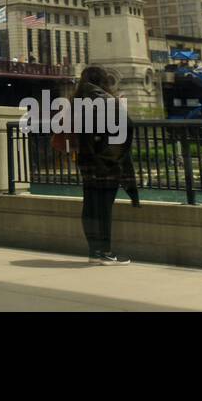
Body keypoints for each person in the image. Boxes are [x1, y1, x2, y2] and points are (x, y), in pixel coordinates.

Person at [73, 65, 135, 265]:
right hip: (106, 163)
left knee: (90, 206)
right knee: (104, 209)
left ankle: (94, 252)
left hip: (86, 163)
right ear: (104, 81)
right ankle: (105, 252)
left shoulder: (76, 101)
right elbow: (126, 126)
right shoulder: (107, 101)